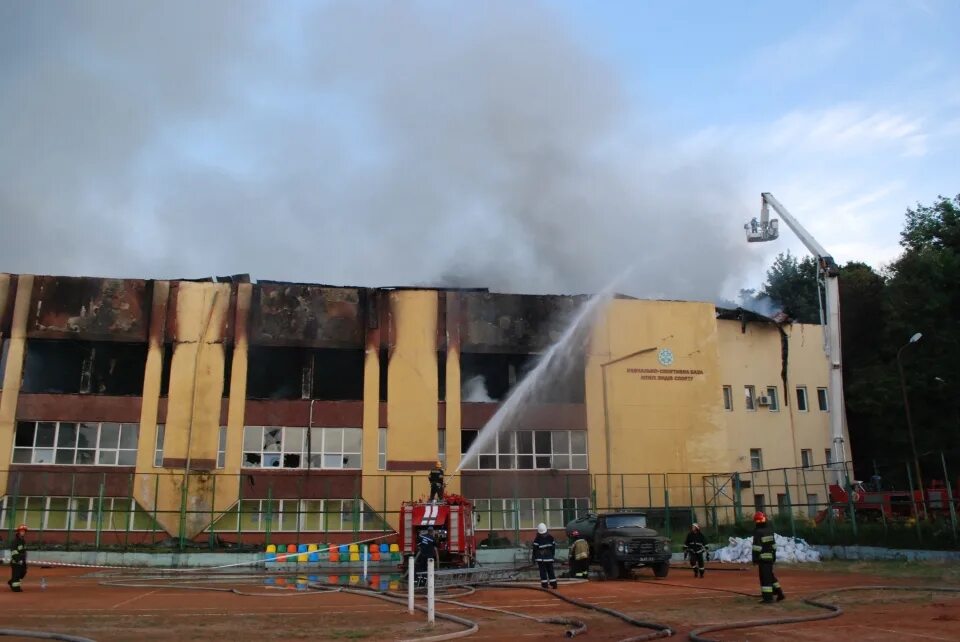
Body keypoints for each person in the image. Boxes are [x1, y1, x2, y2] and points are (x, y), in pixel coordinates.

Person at [751, 512, 785, 603]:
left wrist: (755, 559)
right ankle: (779, 593)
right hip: (769, 558)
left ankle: (768, 598)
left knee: (765, 579)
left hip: (762, 559)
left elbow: (756, 547)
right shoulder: (769, 531)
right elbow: (773, 545)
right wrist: (773, 556)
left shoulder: (758, 532)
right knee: (770, 576)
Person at [532, 523, 558, 589]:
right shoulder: (551, 538)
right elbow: (553, 548)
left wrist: (533, 559)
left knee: (543, 572)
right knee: (551, 571)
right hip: (549, 558)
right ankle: (554, 584)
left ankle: (545, 585)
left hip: (541, 560)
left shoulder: (537, 539)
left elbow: (535, 550)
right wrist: (552, 556)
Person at [8, 524, 27, 592]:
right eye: (21, 531)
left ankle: (12, 582)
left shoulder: (23, 541)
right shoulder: (15, 541)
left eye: (24, 531)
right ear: (18, 532)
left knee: (23, 572)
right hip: (16, 561)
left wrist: (23, 559)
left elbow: (23, 551)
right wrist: (18, 560)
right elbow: (13, 552)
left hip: (22, 560)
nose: (23, 532)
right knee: (17, 574)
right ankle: (15, 587)